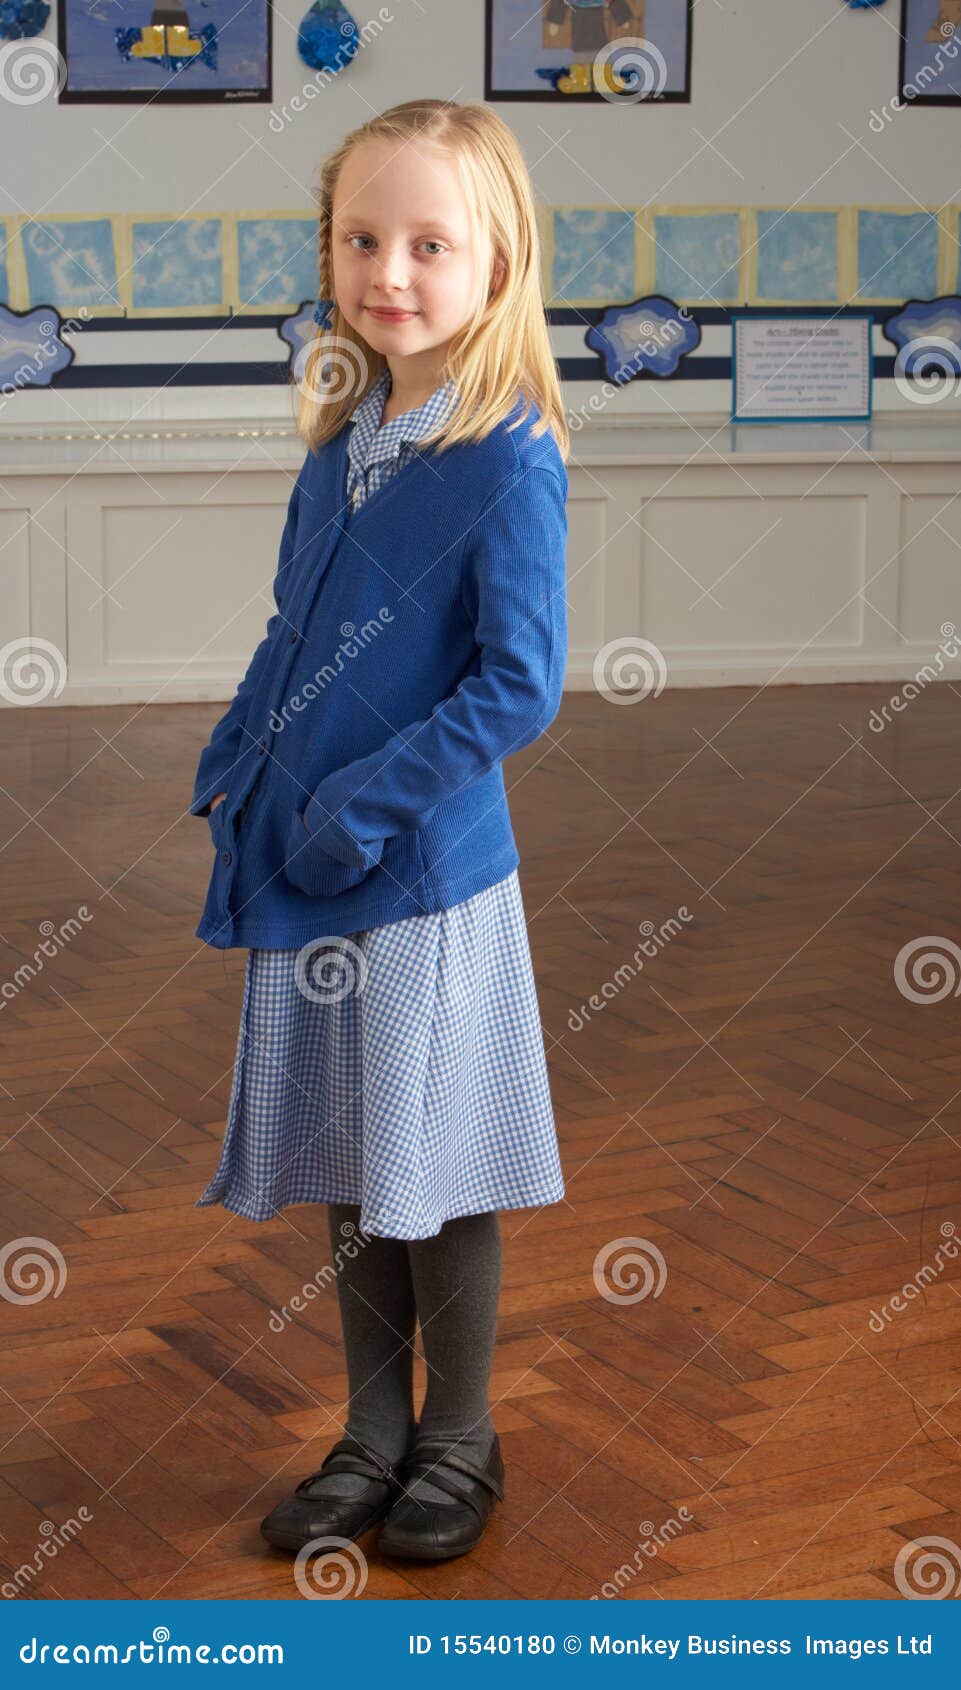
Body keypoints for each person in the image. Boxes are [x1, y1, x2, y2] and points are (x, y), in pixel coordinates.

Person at [188, 97, 570, 1563]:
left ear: (495, 263)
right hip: (300, 866)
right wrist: (241, 746)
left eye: (426, 242)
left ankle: (458, 1438)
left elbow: (516, 684)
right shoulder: (344, 433)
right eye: (360, 237)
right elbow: (300, 627)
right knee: (354, 1155)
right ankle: (372, 1430)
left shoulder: (506, 455)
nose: (386, 270)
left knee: (437, 1165)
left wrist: (363, 798)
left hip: (415, 877)